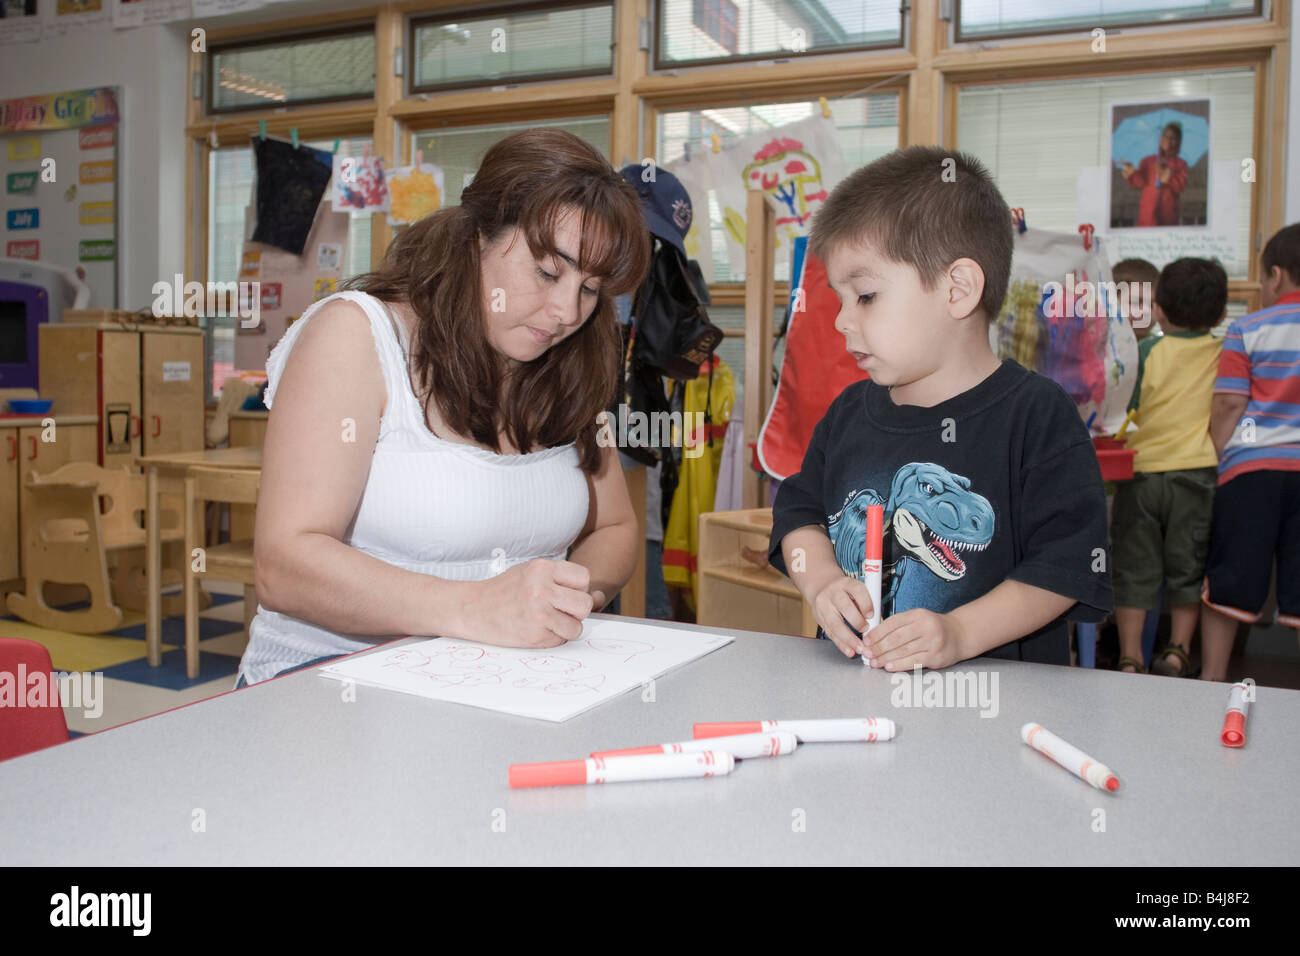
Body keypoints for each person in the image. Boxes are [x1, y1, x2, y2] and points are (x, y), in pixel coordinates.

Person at [235, 129, 651, 687]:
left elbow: (617, 525)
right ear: (479, 234)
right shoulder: (357, 335)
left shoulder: (570, 360)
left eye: (591, 288)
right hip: (329, 680)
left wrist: (565, 600)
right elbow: (284, 565)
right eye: (548, 272)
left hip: (504, 680)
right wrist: (473, 608)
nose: (565, 311)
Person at [768, 146, 1112, 669]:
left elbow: (1066, 566)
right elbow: (798, 514)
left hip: (997, 719)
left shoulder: (1037, 417)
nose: (841, 321)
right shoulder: (846, 415)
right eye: (838, 299)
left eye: (864, 296)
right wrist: (822, 582)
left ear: (958, 289)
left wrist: (959, 633)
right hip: (856, 709)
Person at [1110, 258, 1226, 676]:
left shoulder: (1146, 351)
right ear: (1222, 313)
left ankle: (1129, 656)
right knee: (1187, 568)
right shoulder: (1223, 352)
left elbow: (1126, 411)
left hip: (1142, 473)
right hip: (1196, 473)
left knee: (1134, 566)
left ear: (1157, 309)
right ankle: (1177, 649)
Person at [1200, 223, 1300, 682]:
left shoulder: (1248, 328)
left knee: (1230, 583)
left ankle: (1212, 679)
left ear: (1276, 276)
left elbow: (1228, 404)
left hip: (1254, 471)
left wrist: (1230, 456)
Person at [1118, 122, 1189, 228]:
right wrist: (1131, 170)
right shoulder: (1148, 161)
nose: (1169, 140)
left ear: (1178, 142)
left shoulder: (1181, 164)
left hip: (1168, 215)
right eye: (1166, 136)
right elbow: (1140, 182)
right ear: (1160, 140)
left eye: (1173, 138)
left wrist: (1166, 173)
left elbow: (1180, 186)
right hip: (1148, 215)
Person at [1111, 257, 1159, 340]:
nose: (1146, 312)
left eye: (1152, 305)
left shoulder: (1157, 347)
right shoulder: (1097, 345)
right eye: (1135, 303)